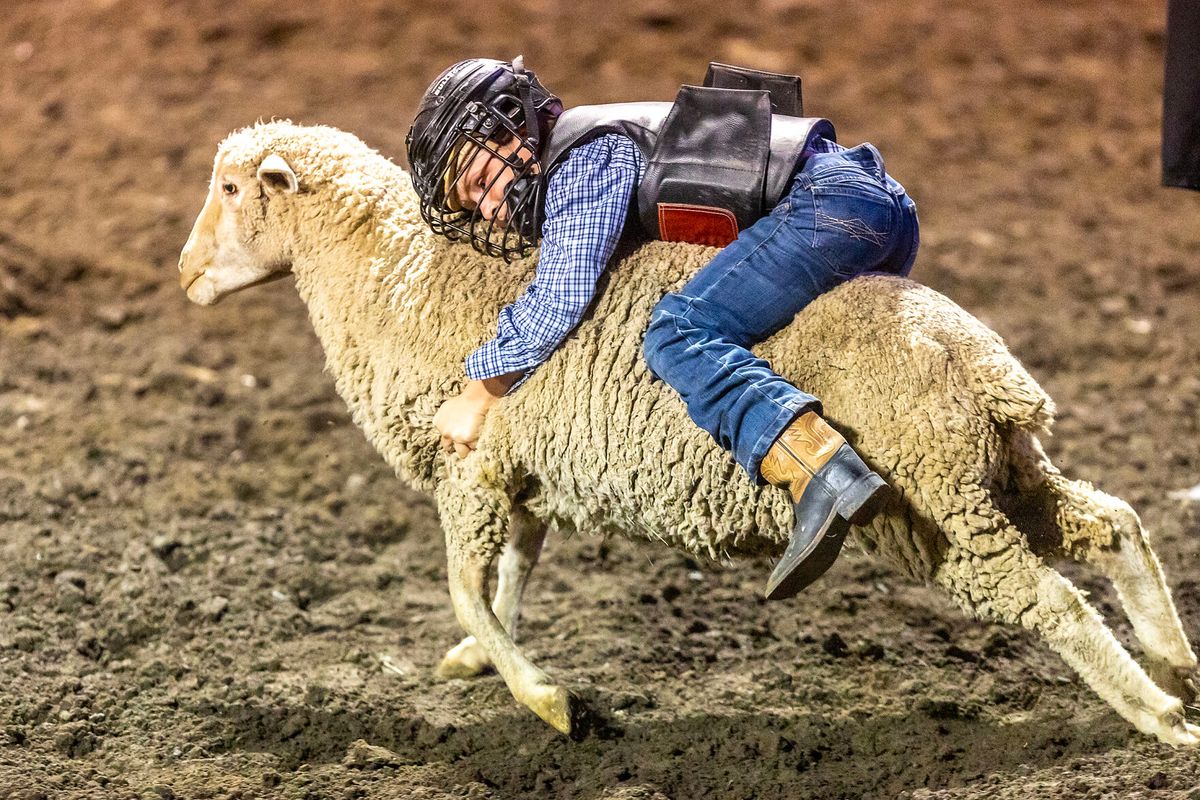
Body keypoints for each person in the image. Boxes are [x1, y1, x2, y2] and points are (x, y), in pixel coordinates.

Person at [405, 57, 919, 599]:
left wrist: (482, 390)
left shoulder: (585, 158)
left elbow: (560, 294)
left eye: (480, 183)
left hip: (831, 204)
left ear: (511, 127)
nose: (489, 210)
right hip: (872, 201)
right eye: (472, 205)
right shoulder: (594, 145)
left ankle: (819, 470)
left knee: (679, 331)